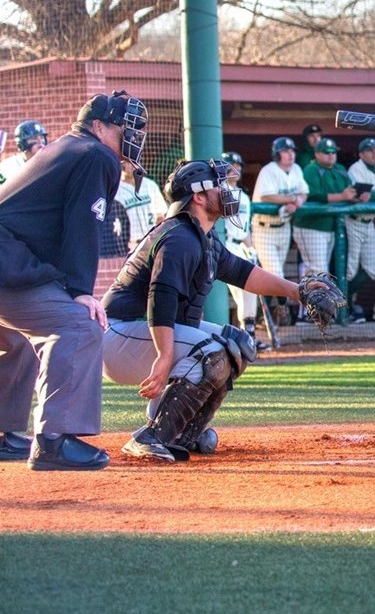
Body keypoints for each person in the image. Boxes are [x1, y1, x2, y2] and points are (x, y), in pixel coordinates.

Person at [103, 159, 319, 463]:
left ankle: (183, 432)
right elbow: (160, 298)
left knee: (239, 344)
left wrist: (297, 291)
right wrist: (164, 356)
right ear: (198, 197)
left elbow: (243, 272)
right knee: (212, 351)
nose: (226, 190)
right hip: (119, 333)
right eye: (218, 185)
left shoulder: (201, 235)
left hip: (142, 330)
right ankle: (152, 436)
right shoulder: (179, 237)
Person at [0, 90, 148, 470]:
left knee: (18, 336)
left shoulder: (70, 147)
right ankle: (54, 441)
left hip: (9, 262)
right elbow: (83, 224)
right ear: (98, 126)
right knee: (79, 324)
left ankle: (4, 434)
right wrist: (80, 292)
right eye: (124, 128)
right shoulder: (97, 155)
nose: (132, 135)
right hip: (6, 263)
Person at [251, 136, 309, 326]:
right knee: (274, 273)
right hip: (264, 228)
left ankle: (264, 316)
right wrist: (291, 199)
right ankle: (281, 309)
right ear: (277, 154)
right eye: (285, 151)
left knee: (273, 274)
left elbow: (304, 192)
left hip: (284, 227)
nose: (290, 154)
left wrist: (298, 201)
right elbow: (266, 196)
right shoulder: (268, 170)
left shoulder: (296, 169)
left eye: (292, 151)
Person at [294, 137, 360, 286]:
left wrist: (356, 196)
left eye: (333, 152)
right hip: (310, 227)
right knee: (319, 272)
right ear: (317, 154)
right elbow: (313, 195)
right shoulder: (310, 170)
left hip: (330, 228)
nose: (331, 155)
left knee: (317, 273)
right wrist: (342, 196)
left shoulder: (340, 169)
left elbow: (349, 191)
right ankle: (313, 301)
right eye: (326, 152)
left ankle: (307, 301)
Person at [219, 151, 268, 348]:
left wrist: (252, 250)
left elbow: (245, 229)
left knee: (250, 287)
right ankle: (245, 335)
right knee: (243, 286)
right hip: (226, 245)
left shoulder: (244, 197)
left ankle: (248, 334)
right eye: (231, 166)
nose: (236, 169)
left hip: (241, 245)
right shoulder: (219, 191)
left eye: (238, 166)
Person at [345, 137, 375, 319]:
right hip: (353, 222)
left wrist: (373, 195)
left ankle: (344, 297)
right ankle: (345, 308)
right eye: (370, 150)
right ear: (361, 154)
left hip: (370, 223)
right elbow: (358, 196)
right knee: (349, 270)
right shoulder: (355, 169)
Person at [114, 161, 167, 250]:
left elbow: (160, 215)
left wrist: (158, 238)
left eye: (134, 162)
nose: (131, 165)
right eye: (127, 162)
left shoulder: (150, 185)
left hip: (152, 241)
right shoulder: (116, 190)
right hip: (130, 245)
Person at [0, 120, 48, 184]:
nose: (41, 143)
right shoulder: (7, 168)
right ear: (22, 144)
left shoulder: (50, 163)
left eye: (42, 138)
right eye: (34, 138)